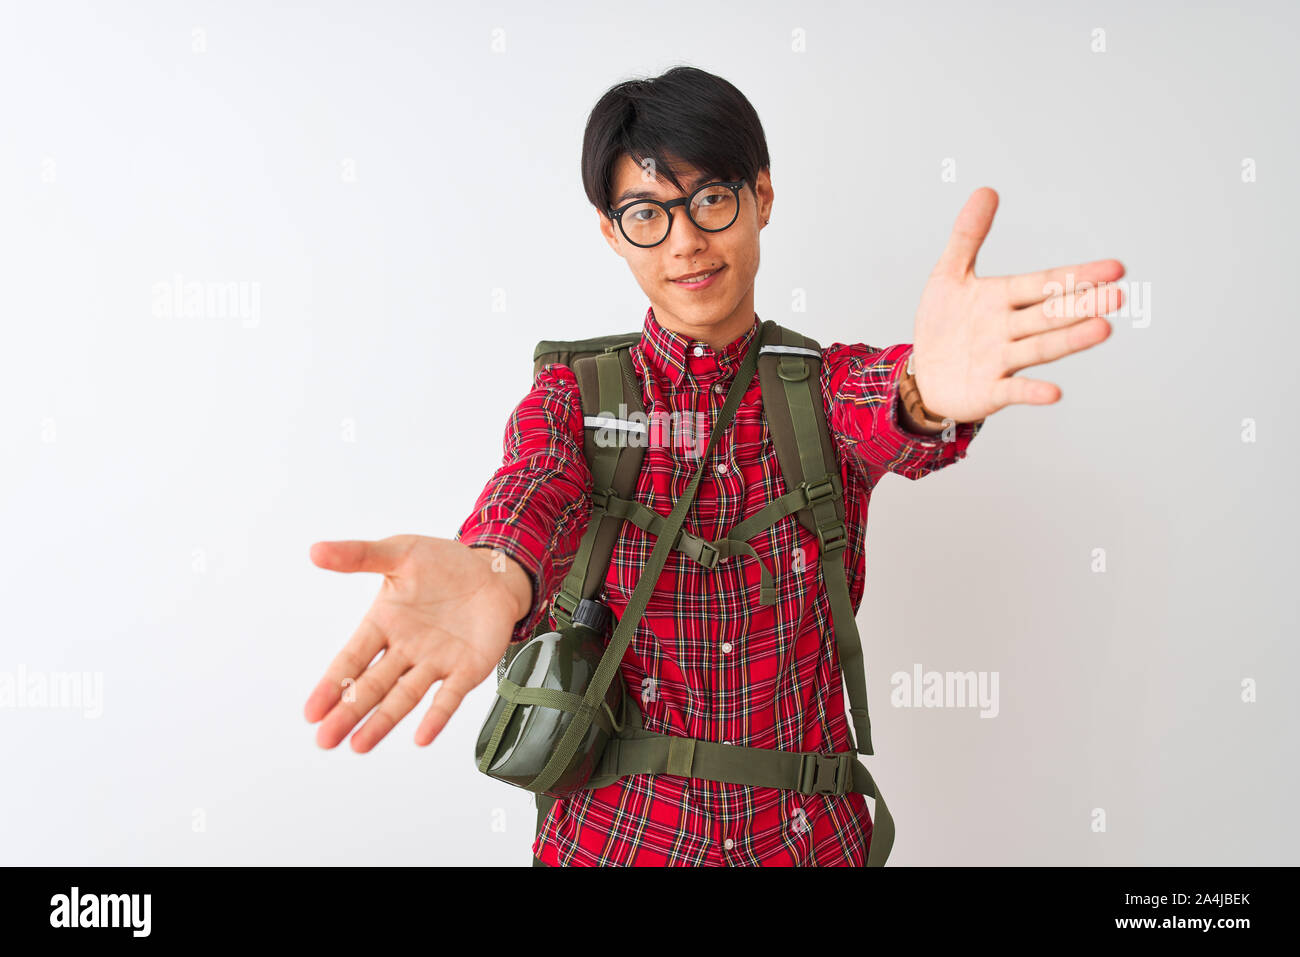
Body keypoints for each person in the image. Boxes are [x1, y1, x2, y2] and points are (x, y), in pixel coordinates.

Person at [303, 65, 1125, 866]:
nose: (687, 242)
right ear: (609, 230)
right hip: (615, 843)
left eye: (710, 200)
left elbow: (891, 407)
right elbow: (533, 486)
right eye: (646, 214)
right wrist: (497, 567)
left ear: (761, 197)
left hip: (807, 845)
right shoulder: (576, 396)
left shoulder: (821, 391)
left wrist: (927, 391)